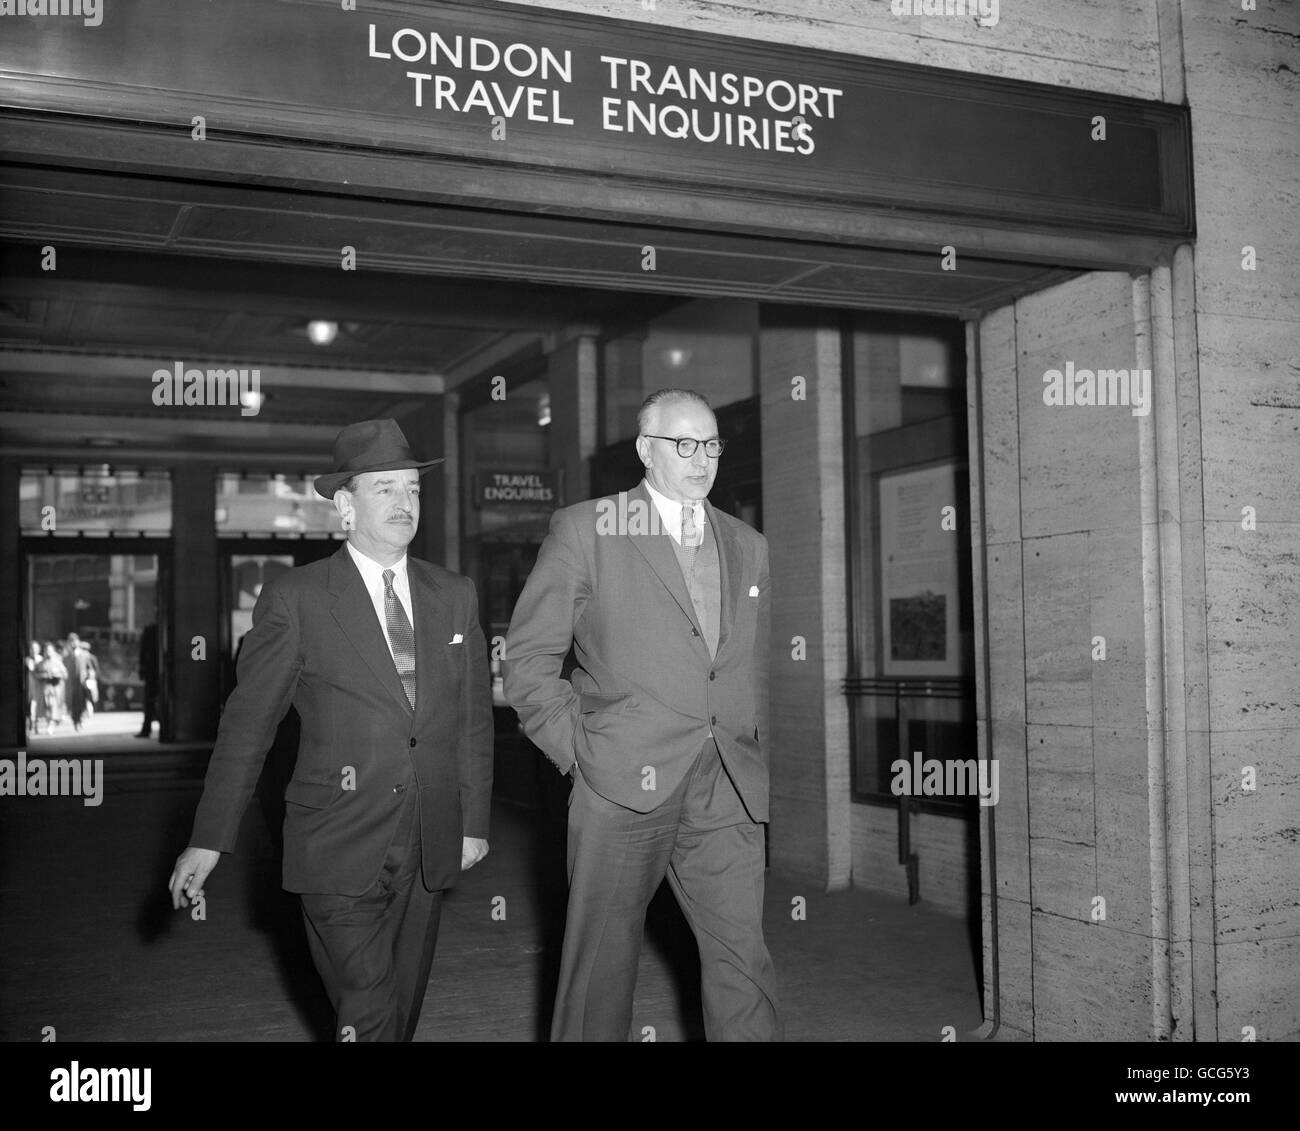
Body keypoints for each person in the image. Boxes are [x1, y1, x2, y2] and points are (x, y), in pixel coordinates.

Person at [168, 419, 494, 1042]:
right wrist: (209, 838)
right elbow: (247, 729)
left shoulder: (454, 595)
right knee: (368, 1008)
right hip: (335, 843)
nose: (404, 503)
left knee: (399, 1010)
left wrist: (473, 822)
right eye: (385, 489)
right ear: (345, 506)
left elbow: (473, 722)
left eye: (412, 489)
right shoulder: (297, 599)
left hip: (430, 840)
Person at [503, 387, 780, 1042]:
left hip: (727, 785)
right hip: (624, 783)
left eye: (711, 444)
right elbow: (527, 664)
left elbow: (744, 667)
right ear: (644, 450)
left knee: (745, 963)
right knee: (601, 969)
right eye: (683, 443)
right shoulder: (586, 529)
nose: (701, 458)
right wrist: (585, 753)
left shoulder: (748, 544)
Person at [64, 633, 100, 731]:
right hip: (71, 685)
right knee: (73, 704)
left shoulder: (85, 655)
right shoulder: (66, 657)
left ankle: (80, 719)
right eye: (71, 641)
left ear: (78, 642)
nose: (73, 643)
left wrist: (90, 675)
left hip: (82, 684)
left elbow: (91, 668)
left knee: (82, 703)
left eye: (75, 641)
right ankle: (76, 721)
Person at [35, 642, 68, 736]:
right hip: (45, 688)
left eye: (49, 650)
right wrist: (43, 675)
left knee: (53, 706)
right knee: (47, 706)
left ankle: (51, 724)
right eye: (46, 650)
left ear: (53, 651)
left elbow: (65, 674)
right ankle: (49, 721)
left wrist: (56, 675)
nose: (48, 652)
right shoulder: (40, 663)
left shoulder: (58, 662)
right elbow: (35, 674)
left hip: (55, 688)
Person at [136, 623, 158, 738]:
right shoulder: (152, 630)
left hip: (152, 670)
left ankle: (146, 729)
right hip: (155, 670)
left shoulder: (150, 630)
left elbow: (143, 651)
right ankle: (147, 728)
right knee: (150, 701)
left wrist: (142, 668)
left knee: (149, 701)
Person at [25, 640, 42, 732]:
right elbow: (32, 669)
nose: (33, 650)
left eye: (35, 648)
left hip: (38, 685)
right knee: (31, 705)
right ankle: (32, 723)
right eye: (31, 649)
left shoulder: (41, 658)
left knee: (36, 705)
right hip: (30, 685)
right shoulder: (27, 660)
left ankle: (35, 724)